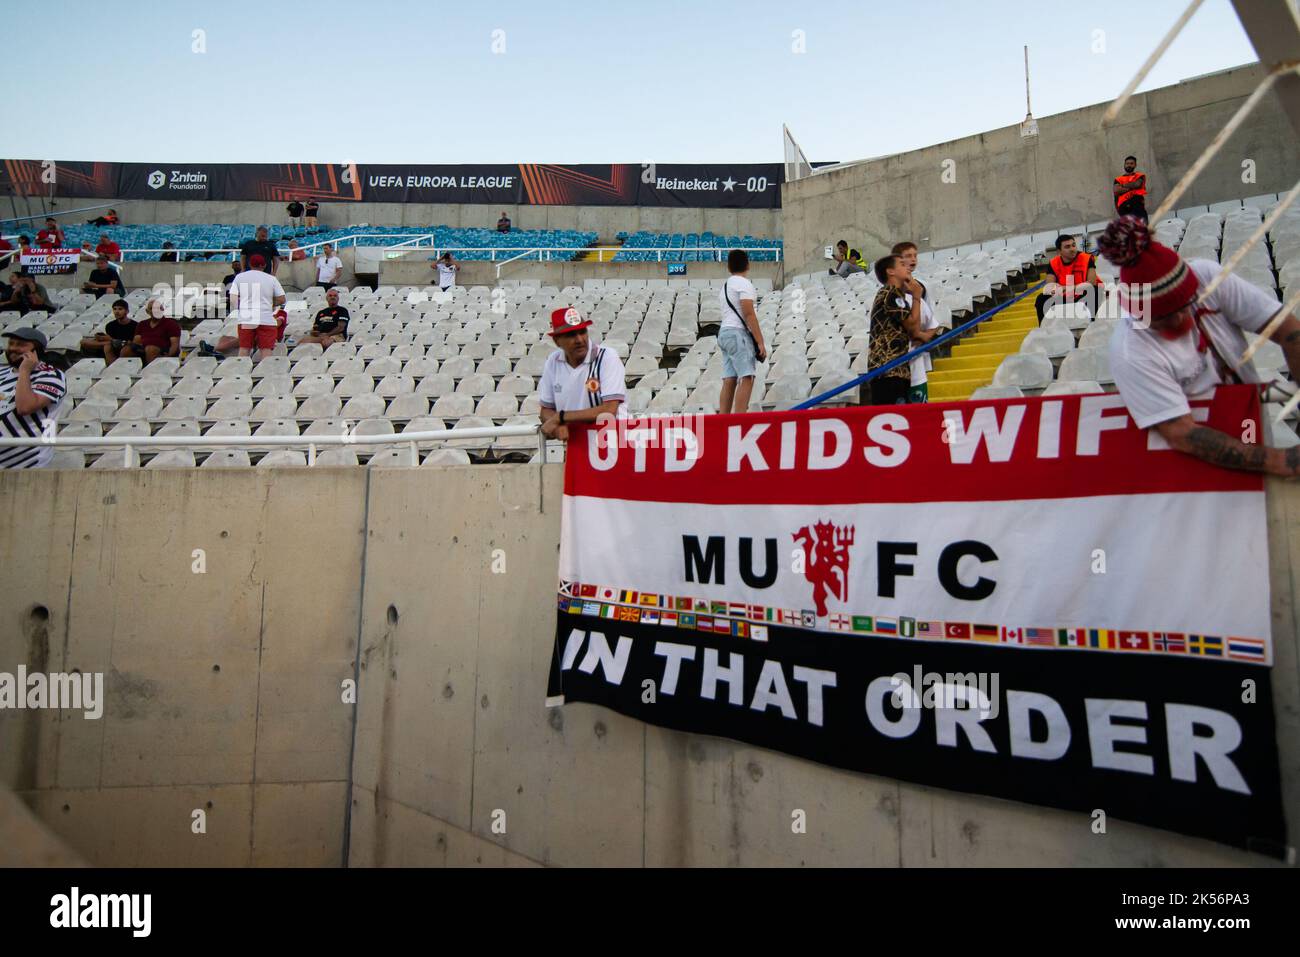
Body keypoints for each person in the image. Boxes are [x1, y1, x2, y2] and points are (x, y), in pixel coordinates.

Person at [1098, 215, 1300, 477]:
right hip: (1193, 461)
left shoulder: (1207, 276)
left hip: (1249, 418)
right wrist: (1280, 461)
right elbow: (1182, 434)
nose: (1180, 319)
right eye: (1163, 316)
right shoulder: (1130, 350)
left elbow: (1288, 331)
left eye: (1185, 305)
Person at [538, 307, 626, 441]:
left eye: (582, 332)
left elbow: (609, 410)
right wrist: (558, 426)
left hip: (610, 443)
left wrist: (560, 417)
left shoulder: (607, 357)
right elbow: (545, 410)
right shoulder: (553, 361)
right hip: (575, 446)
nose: (579, 340)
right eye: (571, 335)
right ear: (557, 341)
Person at [865, 254, 939, 406]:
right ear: (890, 271)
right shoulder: (890, 293)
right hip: (888, 372)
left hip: (897, 371)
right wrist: (917, 297)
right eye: (901, 264)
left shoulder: (895, 295)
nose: (907, 267)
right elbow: (913, 327)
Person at [0, 327, 68, 469]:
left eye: (20, 345)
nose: (12, 348)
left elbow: (25, 407)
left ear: (36, 350)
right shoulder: (2, 373)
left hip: (26, 462)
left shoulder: (51, 375)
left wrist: (25, 370)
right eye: (11, 343)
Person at [717, 248, 768, 414]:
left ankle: (723, 422)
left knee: (729, 379)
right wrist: (760, 342)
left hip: (724, 333)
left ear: (729, 267)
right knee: (747, 377)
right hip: (737, 333)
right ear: (747, 264)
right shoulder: (744, 284)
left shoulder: (725, 286)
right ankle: (739, 421)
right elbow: (748, 313)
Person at [893, 241, 939, 403]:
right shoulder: (891, 292)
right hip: (896, 362)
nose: (913, 259)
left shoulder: (921, 288)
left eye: (915, 255)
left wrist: (922, 336)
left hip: (915, 358)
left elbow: (930, 320)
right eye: (908, 256)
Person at [228, 253, 286, 360]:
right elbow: (282, 299)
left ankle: (241, 373)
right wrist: (269, 304)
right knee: (266, 350)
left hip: (246, 319)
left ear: (249, 264)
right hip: (266, 319)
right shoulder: (271, 279)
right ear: (264, 265)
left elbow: (233, 298)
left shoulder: (240, 277)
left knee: (244, 349)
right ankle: (266, 374)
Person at [1034, 234, 1101, 323]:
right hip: (1065, 296)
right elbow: (1049, 287)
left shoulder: (1086, 258)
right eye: (1067, 247)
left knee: (1094, 291)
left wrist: (1067, 288)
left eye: (1073, 245)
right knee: (1042, 298)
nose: (1072, 249)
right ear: (1059, 251)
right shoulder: (1054, 263)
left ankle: (1093, 326)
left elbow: (1092, 282)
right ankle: (1045, 330)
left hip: (1083, 293)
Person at [123, 298, 181, 366]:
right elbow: (136, 342)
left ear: (162, 309)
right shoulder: (142, 324)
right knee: (126, 350)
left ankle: (150, 372)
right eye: (151, 308)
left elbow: (174, 345)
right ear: (147, 311)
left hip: (163, 351)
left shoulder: (171, 324)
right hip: (143, 350)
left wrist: (168, 356)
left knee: (150, 349)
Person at [79, 299, 137, 364]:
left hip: (127, 348)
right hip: (112, 346)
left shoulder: (135, 325)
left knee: (108, 346)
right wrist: (101, 338)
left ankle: (113, 366)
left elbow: (132, 344)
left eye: (120, 309)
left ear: (127, 311)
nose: (117, 312)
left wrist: (110, 340)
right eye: (115, 309)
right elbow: (109, 341)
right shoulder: (110, 325)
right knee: (84, 342)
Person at [1113, 156, 1148, 223]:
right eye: (1127, 163)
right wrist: (1132, 187)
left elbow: (1137, 184)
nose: (1129, 165)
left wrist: (1123, 185)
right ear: (1124, 165)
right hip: (1124, 207)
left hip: (1138, 206)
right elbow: (1117, 190)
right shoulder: (1118, 179)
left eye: (1131, 163)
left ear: (1135, 165)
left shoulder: (1139, 176)